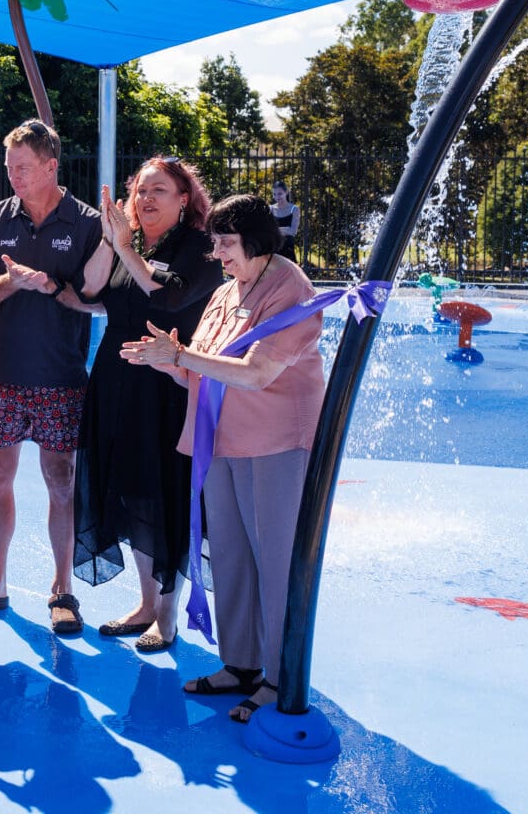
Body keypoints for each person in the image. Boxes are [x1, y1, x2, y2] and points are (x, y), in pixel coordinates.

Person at [120, 193, 325, 724]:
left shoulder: (290, 290)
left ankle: (281, 678)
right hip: (222, 442)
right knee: (231, 556)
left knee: (275, 563)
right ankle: (241, 666)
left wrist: (183, 356)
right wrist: (166, 361)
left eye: (227, 243)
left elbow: (258, 373)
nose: (218, 253)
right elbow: (202, 367)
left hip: (278, 444)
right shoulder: (226, 291)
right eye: (215, 242)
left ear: (257, 241)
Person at [0, 119, 102, 635]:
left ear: (51, 166)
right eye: (9, 167)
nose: (12, 175)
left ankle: (63, 590)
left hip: (61, 376)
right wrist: (13, 283)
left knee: (61, 482)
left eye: (23, 168)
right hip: (3, 373)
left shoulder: (86, 223)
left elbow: (99, 300)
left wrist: (53, 287)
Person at [74, 156, 223, 653]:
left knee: (166, 493)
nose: (146, 199)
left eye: (159, 190)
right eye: (140, 191)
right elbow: (89, 290)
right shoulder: (127, 244)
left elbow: (166, 299)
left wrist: (126, 250)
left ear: (185, 199)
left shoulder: (200, 248)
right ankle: (143, 604)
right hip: (117, 380)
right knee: (129, 489)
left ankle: (167, 615)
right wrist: (109, 240)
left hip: (167, 385)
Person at [271, 181, 300, 263]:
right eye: (274, 194)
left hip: (288, 249)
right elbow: (268, 230)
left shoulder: (294, 209)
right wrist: (286, 229)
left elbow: (293, 231)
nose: (277, 197)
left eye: (280, 194)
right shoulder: (271, 209)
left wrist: (276, 230)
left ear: (286, 192)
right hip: (274, 248)